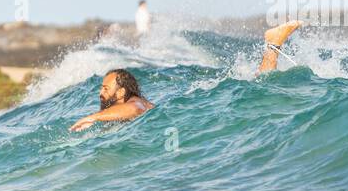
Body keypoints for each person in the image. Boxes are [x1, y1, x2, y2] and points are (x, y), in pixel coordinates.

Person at [70, 22, 306, 131]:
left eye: (105, 87)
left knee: (260, 91)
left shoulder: (133, 102)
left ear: (121, 92)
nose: (100, 91)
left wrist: (91, 118)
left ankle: (273, 44)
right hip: (196, 120)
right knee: (258, 90)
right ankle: (272, 46)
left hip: (199, 121)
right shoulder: (118, 110)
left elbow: (135, 109)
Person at [69, 68, 154, 131]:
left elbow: (136, 108)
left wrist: (93, 117)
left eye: (106, 89)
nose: (100, 93)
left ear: (121, 92)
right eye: (101, 88)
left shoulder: (135, 101)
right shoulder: (121, 107)